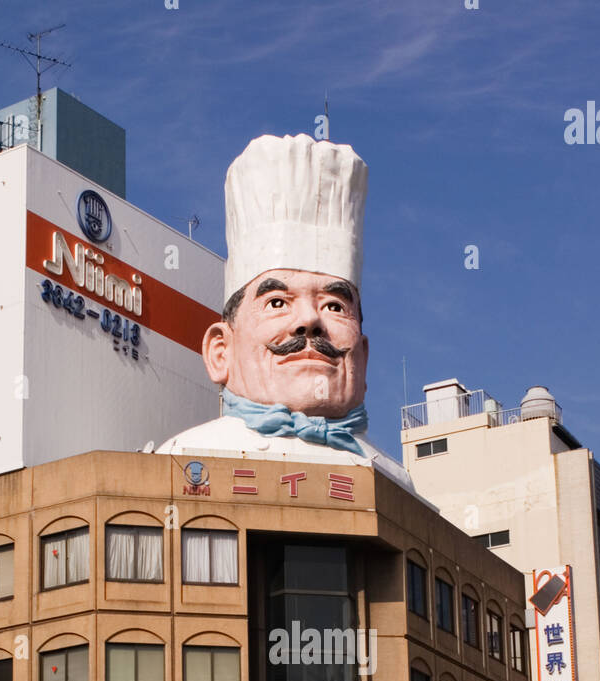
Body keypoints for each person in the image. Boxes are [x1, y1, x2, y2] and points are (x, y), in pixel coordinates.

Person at [156, 133, 416, 497]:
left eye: (334, 306)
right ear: (220, 351)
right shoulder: (180, 463)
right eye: (278, 302)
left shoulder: (394, 484)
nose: (308, 319)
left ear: (363, 358)